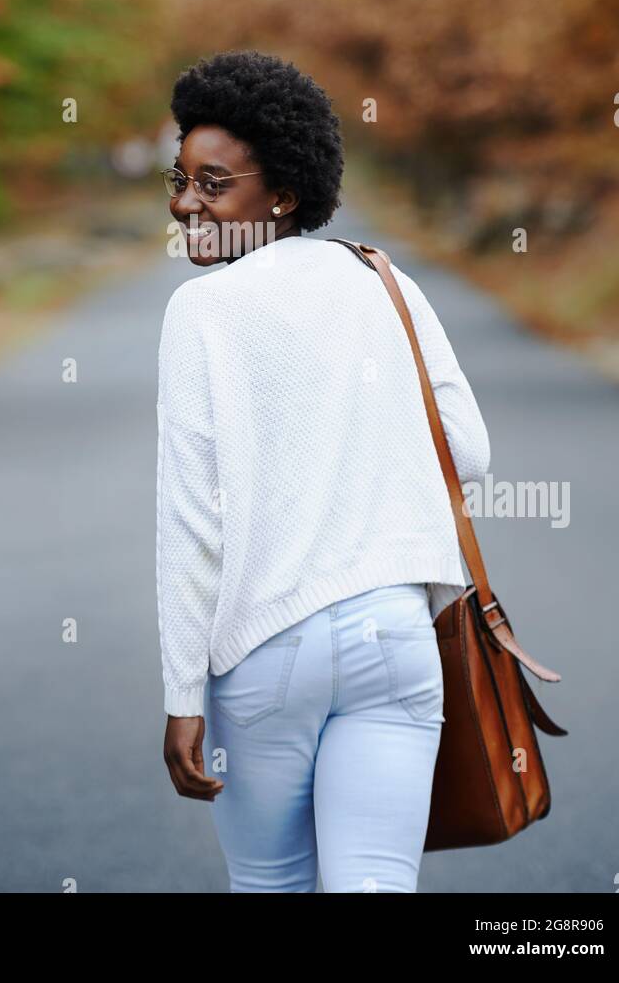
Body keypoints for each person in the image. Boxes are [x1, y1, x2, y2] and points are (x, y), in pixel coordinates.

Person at [155, 50, 490, 893]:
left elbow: (194, 519)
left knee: (271, 883)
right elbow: (470, 455)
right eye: (180, 178)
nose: (183, 202)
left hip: (266, 649)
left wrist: (181, 694)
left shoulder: (200, 310)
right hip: (395, 636)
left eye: (212, 183)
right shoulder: (382, 278)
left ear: (282, 195)